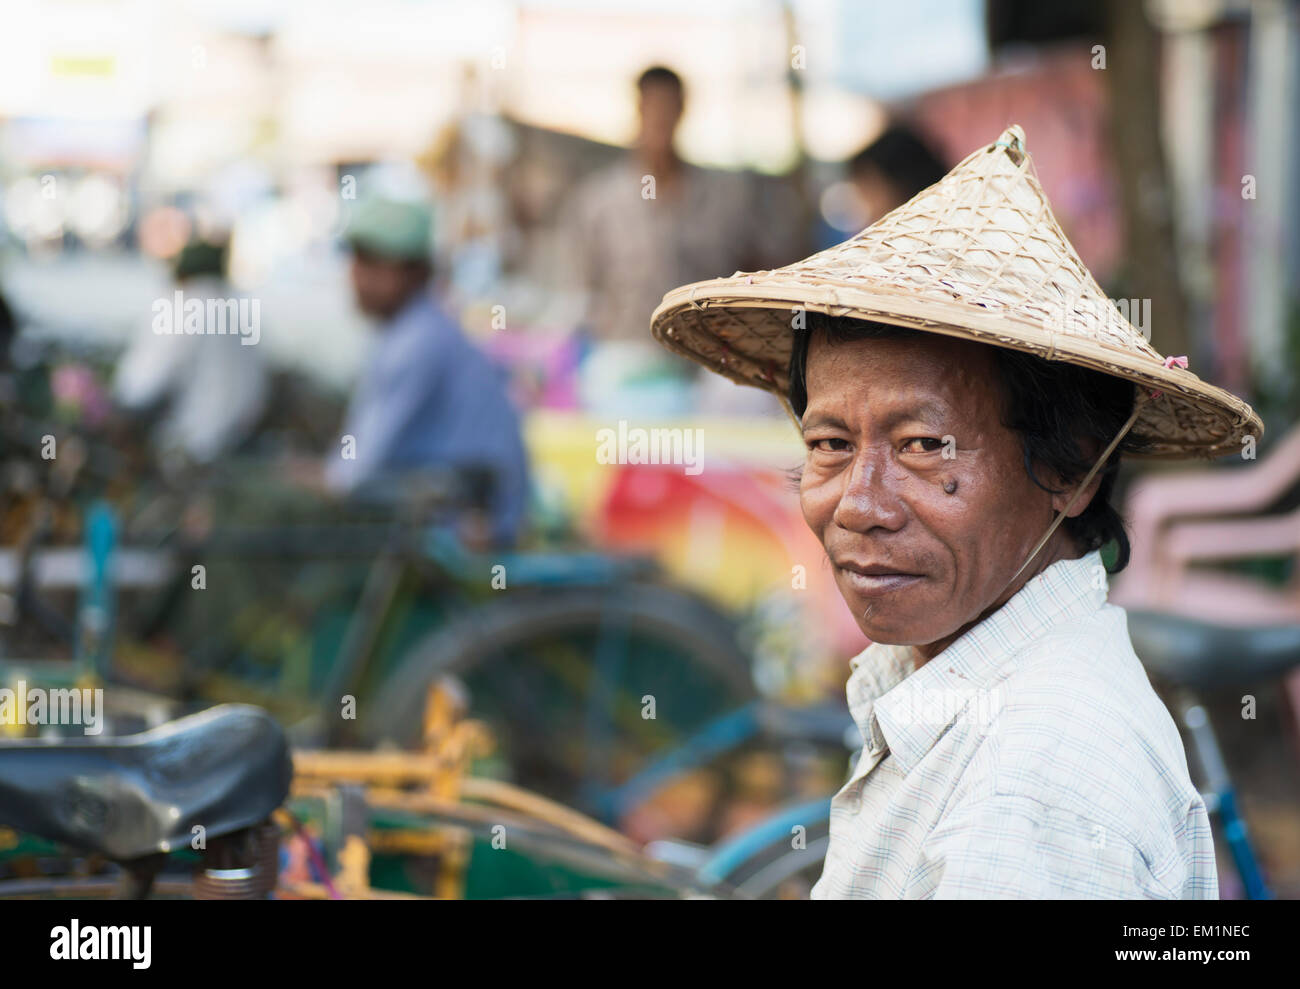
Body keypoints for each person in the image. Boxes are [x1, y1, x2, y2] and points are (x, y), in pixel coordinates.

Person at [650, 125, 1262, 899]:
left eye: (923, 444)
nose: (859, 505)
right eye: (831, 442)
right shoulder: (959, 685)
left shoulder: (1030, 789)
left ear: (1071, 469)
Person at [324, 195, 529, 546]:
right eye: (357, 262)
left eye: (374, 265)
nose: (357, 277)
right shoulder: (411, 332)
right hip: (446, 507)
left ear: (415, 273)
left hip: (462, 525)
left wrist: (306, 480)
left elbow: (351, 475)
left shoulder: (419, 341)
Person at [113, 238, 268, 466]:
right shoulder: (240, 306)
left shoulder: (183, 305)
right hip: (245, 437)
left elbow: (140, 386)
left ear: (182, 273)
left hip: (195, 446)